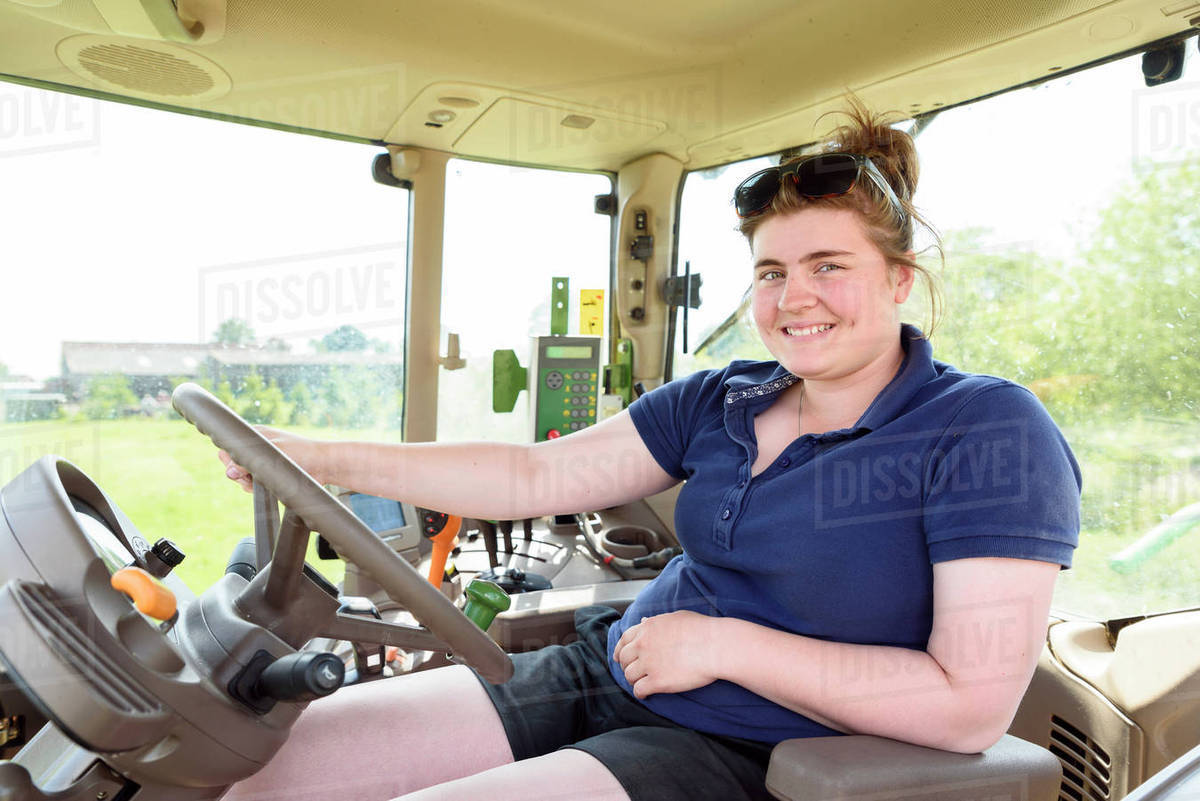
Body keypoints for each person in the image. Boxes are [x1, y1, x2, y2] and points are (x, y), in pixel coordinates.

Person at [218, 100, 1081, 801]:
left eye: (829, 266)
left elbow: (969, 705)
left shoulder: (985, 429)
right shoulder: (726, 394)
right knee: (262, 770)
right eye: (772, 271)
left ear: (899, 278)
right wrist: (312, 455)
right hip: (607, 667)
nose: (793, 298)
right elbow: (533, 474)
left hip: (757, 748)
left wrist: (723, 647)